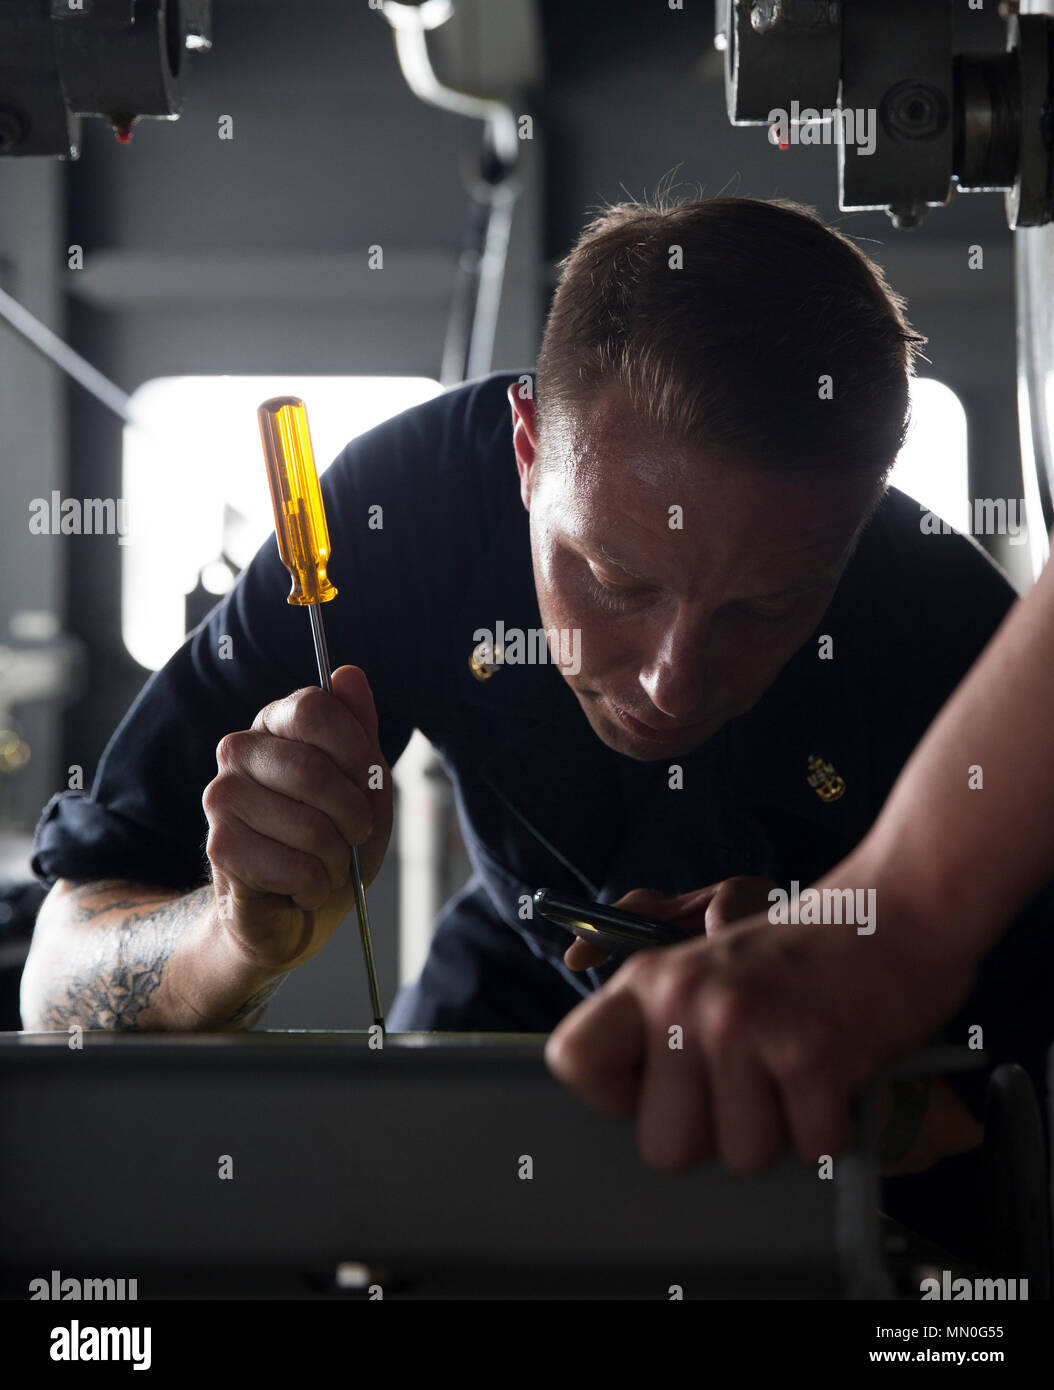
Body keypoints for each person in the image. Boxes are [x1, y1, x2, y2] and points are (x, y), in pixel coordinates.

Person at [20, 198, 1051, 1190]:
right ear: (525, 449)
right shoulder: (399, 514)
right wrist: (235, 938)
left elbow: (993, 1121)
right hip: (514, 973)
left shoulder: (958, 646)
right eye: (613, 581)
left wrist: (853, 1016)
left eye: (765, 608)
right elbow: (57, 977)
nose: (671, 679)